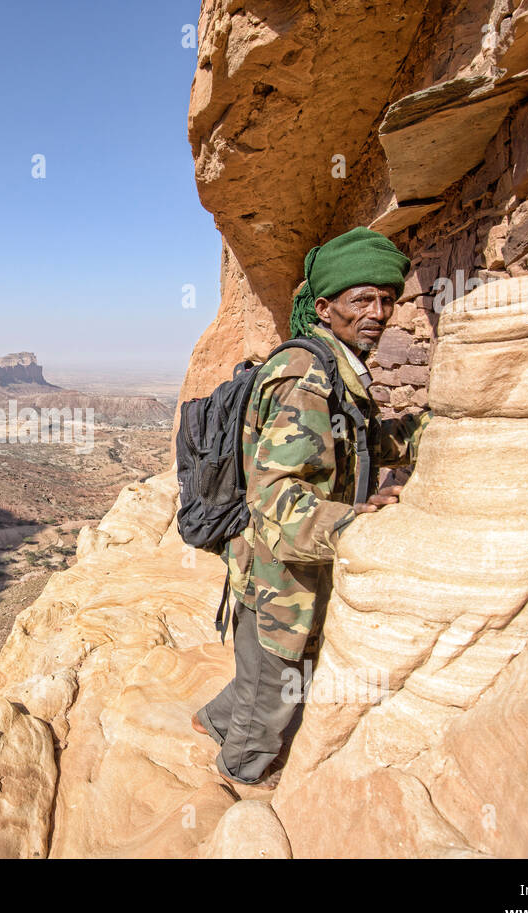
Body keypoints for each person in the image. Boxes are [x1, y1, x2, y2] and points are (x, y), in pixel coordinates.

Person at [191, 226, 430, 787]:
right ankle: (238, 775)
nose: (379, 311)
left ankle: (212, 720)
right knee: (275, 686)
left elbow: (362, 441)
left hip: (289, 561)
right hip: (279, 570)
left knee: (261, 671)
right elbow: (276, 497)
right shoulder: (307, 375)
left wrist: (431, 433)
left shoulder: (338, 370)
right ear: (325, 308)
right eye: (361, 299)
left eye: (387, 298)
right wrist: (354, 524)